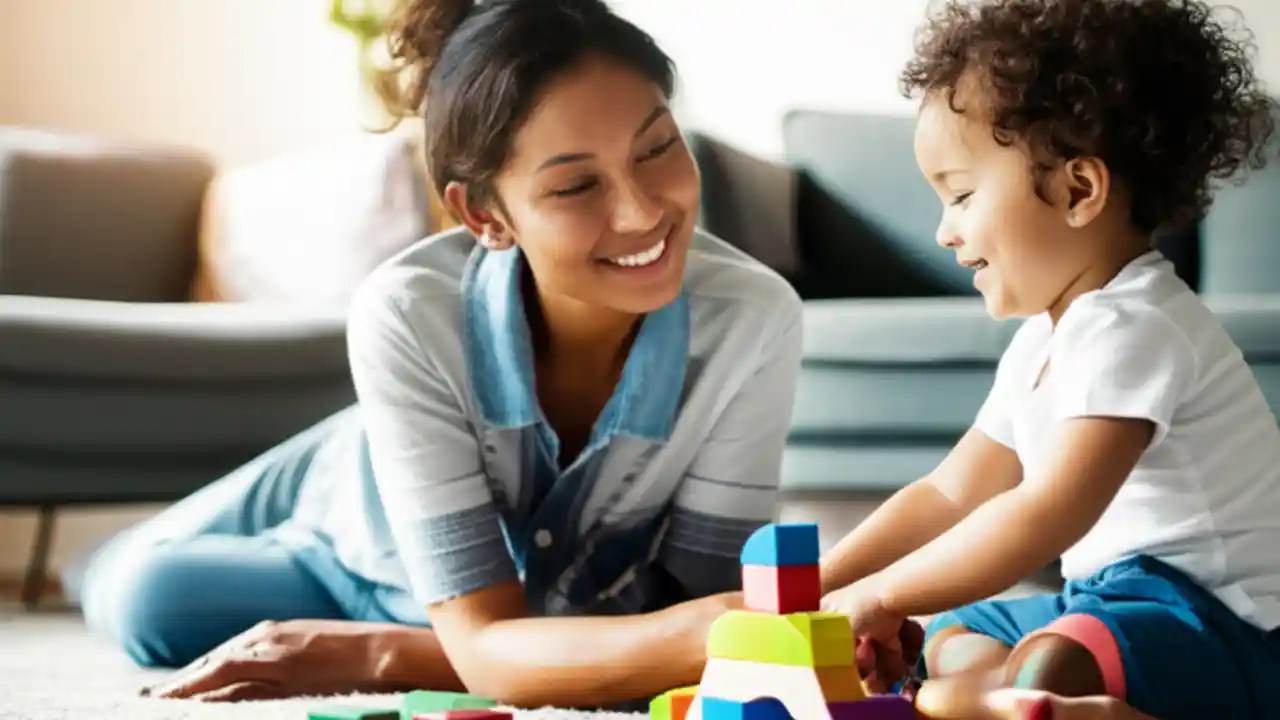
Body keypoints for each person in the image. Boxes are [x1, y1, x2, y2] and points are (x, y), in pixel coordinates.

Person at [74, 0, 804, 707]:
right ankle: (351, 448)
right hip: (362, 538)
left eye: (657, 148)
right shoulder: (408, 311)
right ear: (484, 216)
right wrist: (496, 650)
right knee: (147, 596)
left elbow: (700, 617)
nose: (643, 210)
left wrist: (372, 652)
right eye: (577, 184)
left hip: (498, 603)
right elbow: (675, 636)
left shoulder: (753, 318)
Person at [817, 1, 1279, 718]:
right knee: (954, 629)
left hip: (1222, 626)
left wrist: (880, 594)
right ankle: (1005, 692)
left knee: (1065, 648)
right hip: (1103, 602)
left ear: (1077, 190)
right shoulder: (1045, 336)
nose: (945, 231)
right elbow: (951, 493)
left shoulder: (1138, 325)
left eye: (962, 195)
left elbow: (1048, 512)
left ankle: (1033, 691)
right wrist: (823, 584)